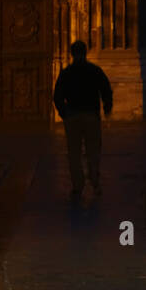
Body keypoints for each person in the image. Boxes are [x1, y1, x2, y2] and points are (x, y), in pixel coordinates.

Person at [53, 40, 113, 200]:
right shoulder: (94, 70)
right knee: (93, 151)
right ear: (86, 52)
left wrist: (63, 112)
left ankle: (77, 186)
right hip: (91, 115)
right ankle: (94, 182)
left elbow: (57, 95)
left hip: (72, 116)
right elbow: (106, 89)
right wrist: (107, 108)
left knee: (74, 153)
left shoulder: (66, 72)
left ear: (72, 54)